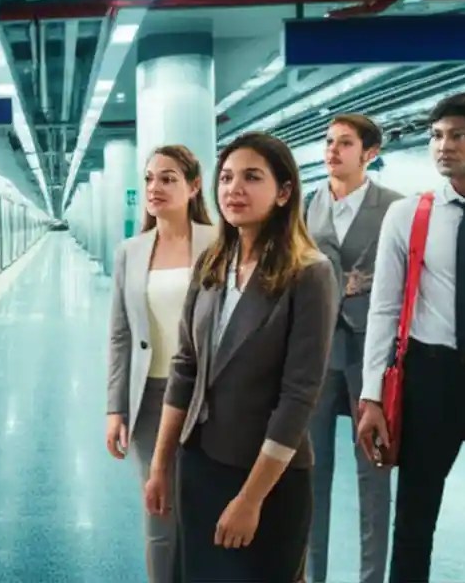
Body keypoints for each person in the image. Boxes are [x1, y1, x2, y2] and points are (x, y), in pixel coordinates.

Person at [144, 131, 338, 582]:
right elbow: (185, 368)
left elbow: (299, 396)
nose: (234, 188)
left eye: (252, 177)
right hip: (200, 465)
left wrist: (251, 500)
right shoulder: (213, 264)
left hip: (265, 477)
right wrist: (161, 465)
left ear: (284, 191)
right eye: (227, 177)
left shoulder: (309, 274)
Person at [357, 92, 465, 582]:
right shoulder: (408, 215)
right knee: (415, 518)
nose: (444, 146)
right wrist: (371, 395)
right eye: (437, 136)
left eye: (460, 135)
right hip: (430, 377)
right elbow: (384, 307)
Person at [106, 144, 217, 583]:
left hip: (212, 396)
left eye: (168, 178)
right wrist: (116, 407)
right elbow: (120, 334)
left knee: (206, 507)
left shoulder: (221, 241)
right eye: (150, 178)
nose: (155, 187)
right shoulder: (130, 251)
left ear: (193, 187)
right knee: (159, 513)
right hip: (150, 396)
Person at [303, 114, 402, 583]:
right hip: (317, 354)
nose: (332, 151)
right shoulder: (306, 206)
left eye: (344, 143)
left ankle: (370, 577)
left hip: (374, 357)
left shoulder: (396, 209)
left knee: (374, 476)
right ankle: (310, 574)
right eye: (328, 142)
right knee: (309, 473)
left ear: (370, 153)